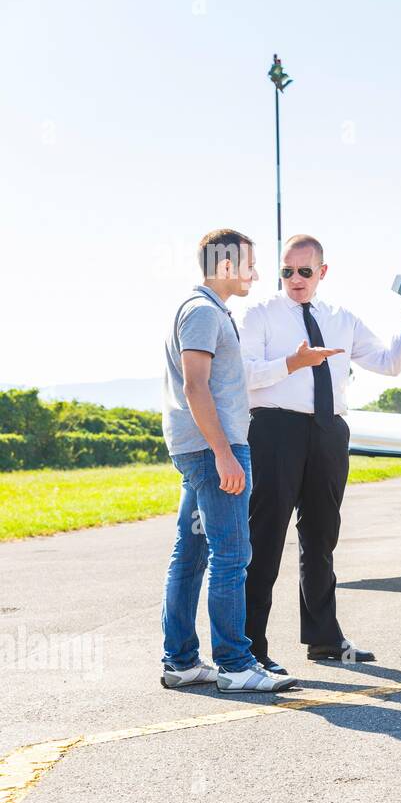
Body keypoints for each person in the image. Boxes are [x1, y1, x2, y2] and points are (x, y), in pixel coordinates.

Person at [240, 233, 401, 672]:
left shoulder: (342, 318)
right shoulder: (259, 314)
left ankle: (324, 638)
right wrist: (292, 364)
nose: (295, 279)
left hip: (328, 430)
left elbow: (390, 363)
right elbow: (242, 377)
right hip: (275, 428)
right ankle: (250, 647)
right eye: (287, 271)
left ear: (323, 272)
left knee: (321, 536)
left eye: (304, 271)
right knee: (265, 539)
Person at [160, 228, 298, 693]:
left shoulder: (205, 311)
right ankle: (236, 665)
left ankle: (180, 663)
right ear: (225, 266)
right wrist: (224, 453)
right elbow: (195, 386)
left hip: (200, 447)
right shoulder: (202, 313)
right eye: (249, 265)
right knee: (232, 555)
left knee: (193, 553)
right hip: (212, 448)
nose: (255, 274)